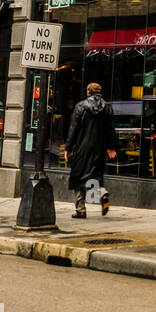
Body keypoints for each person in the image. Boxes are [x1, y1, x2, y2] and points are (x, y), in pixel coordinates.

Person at [64, 81, 118, 218]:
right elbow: (111, 130)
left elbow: (73, 130)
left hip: (82, 148)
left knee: (78, 177)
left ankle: (81, 209)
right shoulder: (107, 107)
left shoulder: (81, 106)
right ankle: (101, 192)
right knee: (94, 175)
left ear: (88, 92)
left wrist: (68, 148)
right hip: (99, 149)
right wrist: (111, 147)